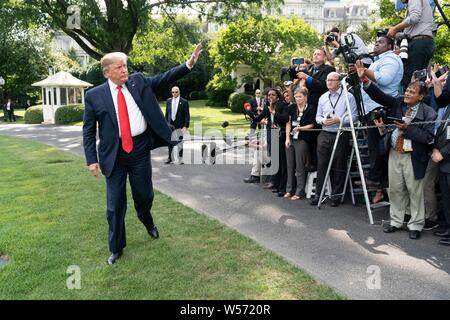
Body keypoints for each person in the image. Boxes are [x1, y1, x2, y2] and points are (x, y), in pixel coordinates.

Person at [82, 44, 202, 265]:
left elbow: (165, 77)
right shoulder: (93, 96)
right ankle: (116, 247)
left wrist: (189, 64)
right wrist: (91, 160)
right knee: (115, 204)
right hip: (114, 155)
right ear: (107, 72)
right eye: (119, 68)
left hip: (138, 149)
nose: (124, 71)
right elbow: (88, 131)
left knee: (144, 196)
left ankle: (147, 221)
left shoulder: (138, 81)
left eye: (125, 66)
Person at [358, 65, 436, 240]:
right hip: (394, 153)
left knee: (414, 191)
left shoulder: (429, 113)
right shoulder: (398, 102)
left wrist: (407, 129)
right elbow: (380, 96)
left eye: (412, 92)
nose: (407, 94)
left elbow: (428, 138)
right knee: (395, 189)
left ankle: (416, 225)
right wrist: (365, 80)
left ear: (421, 97)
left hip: (414, 156)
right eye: (407, 90)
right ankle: (396, 221)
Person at [357, 35, 404, 203]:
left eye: (381, 42)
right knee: (374, 151)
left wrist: (363, 71)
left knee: (380, 151)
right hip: (371, 110)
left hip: (382, 110)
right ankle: (380, 190)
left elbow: (384, 79)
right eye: (375, 41)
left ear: (390, 45)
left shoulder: (391, 59)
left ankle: (384, 188)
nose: (376, 43)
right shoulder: (377, 60)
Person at [310, 72, 358, 207]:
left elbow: (354, 117)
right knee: (322, 165)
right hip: (325, 133)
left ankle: (336, 196)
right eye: (327, 80)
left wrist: (339, 120)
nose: (329, 82)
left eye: (332, 80)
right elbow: (317, 116)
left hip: (341, 133)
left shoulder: (349, 97)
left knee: (338, 165)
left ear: (339, 82)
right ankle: (319, 195)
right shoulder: (323, 97)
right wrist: (323, 120)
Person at [387, 0, 436, 88]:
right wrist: (396, 33)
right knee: (419, 80)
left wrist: (395, 28)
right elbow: (412, 31)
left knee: (410, 79)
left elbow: (414, 17)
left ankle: (406, 101)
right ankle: (418, 100)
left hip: (419, 43)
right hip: (425, 42)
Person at [253, 88, 289, 197]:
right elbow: (259, 117)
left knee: (280, 160)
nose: (270, 97)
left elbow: (285, 119)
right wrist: (250, 114)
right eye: (269, 95)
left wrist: (273, 112)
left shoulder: (282, 105)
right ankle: (275, 183)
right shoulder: (267, 106)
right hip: (271, 134)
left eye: (273, 95)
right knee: (274, 159)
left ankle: (281, 187)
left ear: (277, 96)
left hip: (280, 134)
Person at [285, 87, 315, 200]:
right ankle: (289, 190)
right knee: (289, 165)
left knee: (299, 166)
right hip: (291, 138)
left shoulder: (311, 108)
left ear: (305, 96)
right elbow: (288, 123)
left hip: (302, 139)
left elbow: (311, 125)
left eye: (300, 97)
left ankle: (299, 191)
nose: (298, 99)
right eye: (296, 96)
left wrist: (300, 128)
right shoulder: (292, 107)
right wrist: (287, 138)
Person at [432, 67, 450, 245]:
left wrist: (442, 153)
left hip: (447, 158)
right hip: (444, 161)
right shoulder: (447, 107)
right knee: (446, 197)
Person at [165, 86, 190, 165]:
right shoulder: (168, 101)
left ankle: (180, 158)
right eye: (173, 92)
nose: (174, 93)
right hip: (170, 125)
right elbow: (167, 114)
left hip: (180, 125)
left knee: (179, 142)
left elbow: (187, 115)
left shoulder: (184, 102)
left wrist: (185, 126)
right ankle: (170, 158)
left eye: (176, 92)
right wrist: (165, 124)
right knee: (169, 142)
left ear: (179, 92)